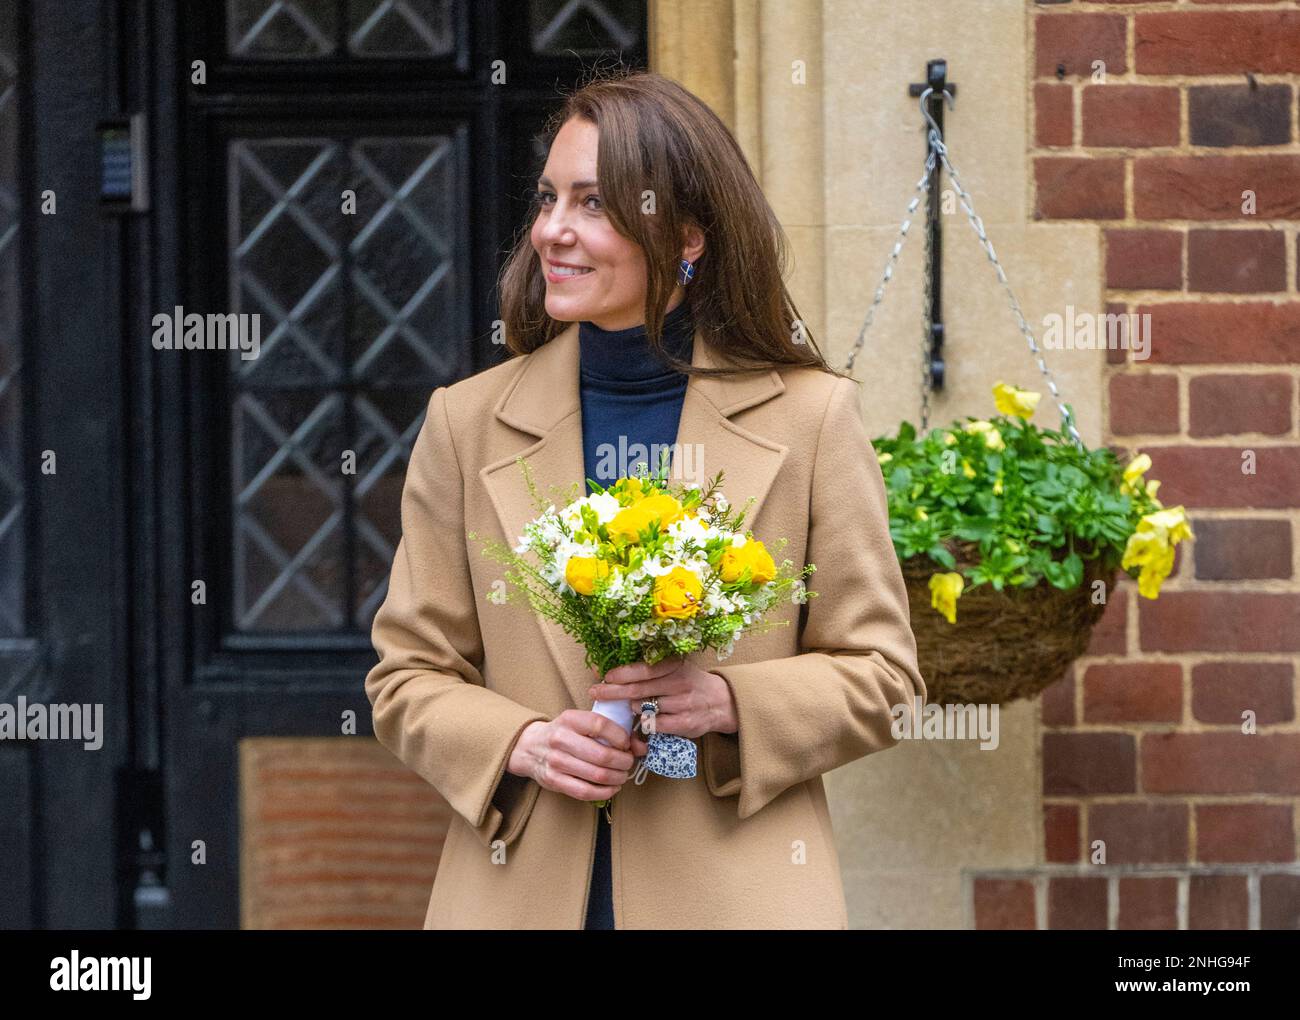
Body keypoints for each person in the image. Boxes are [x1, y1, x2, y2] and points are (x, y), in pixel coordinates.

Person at [364, 68, 926, 930]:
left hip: (738, 900)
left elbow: (884, 677)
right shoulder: (466, 423)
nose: (551, 230)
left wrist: (730, 702)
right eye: (548, 198)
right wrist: (524, 743)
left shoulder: (813, 419)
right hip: (518, 895)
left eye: (593, 203)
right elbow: (407, 677)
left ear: (687, 235)